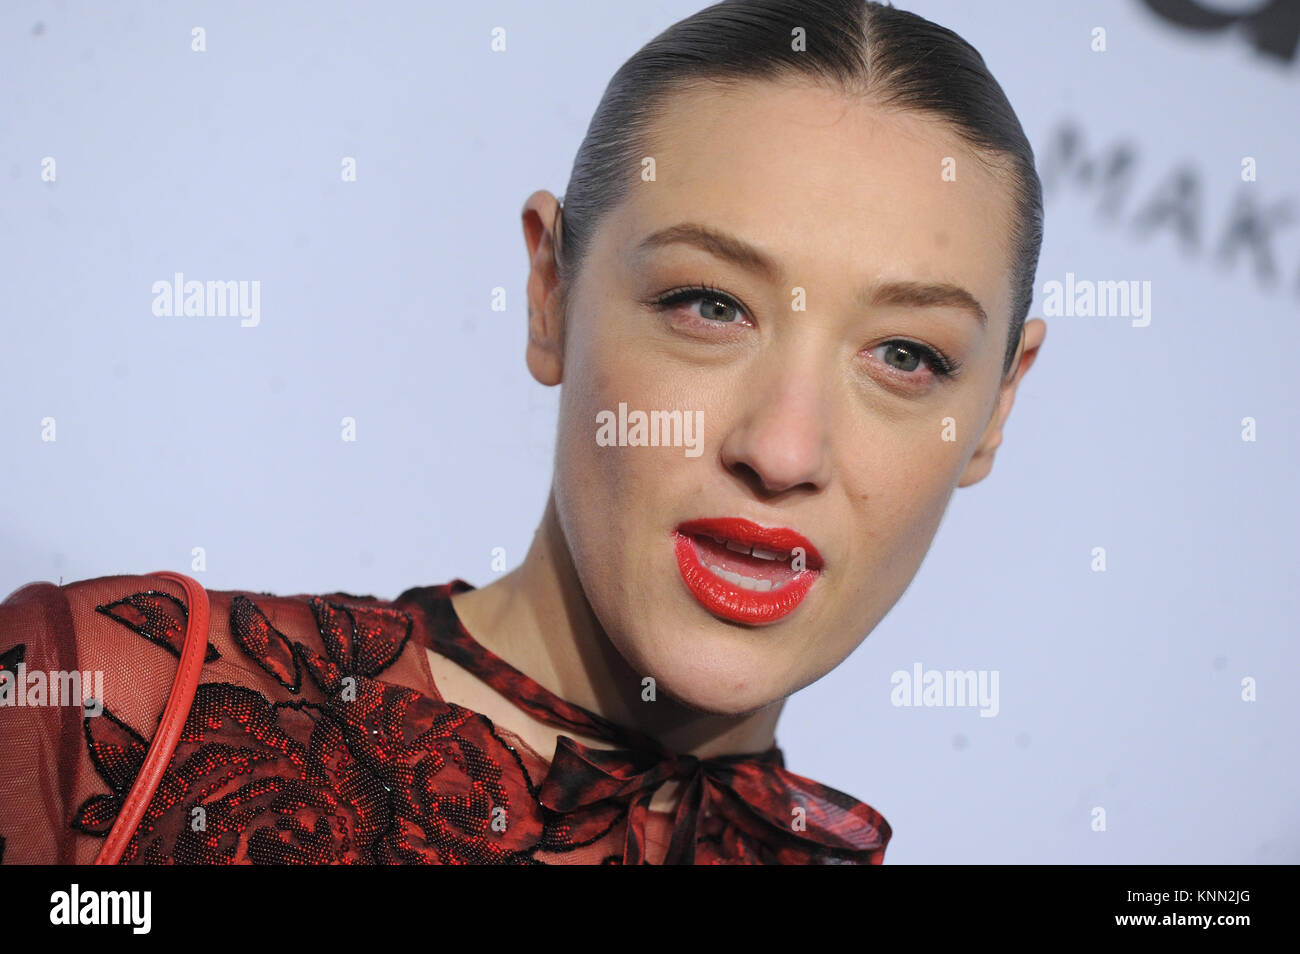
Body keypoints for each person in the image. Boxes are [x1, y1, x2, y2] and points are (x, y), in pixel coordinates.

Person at [0, 0, 1045, 865]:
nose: (780, 451)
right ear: (550, 293)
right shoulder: (109, 706)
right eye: (708, 304)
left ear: (995, 408)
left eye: (907, 356)